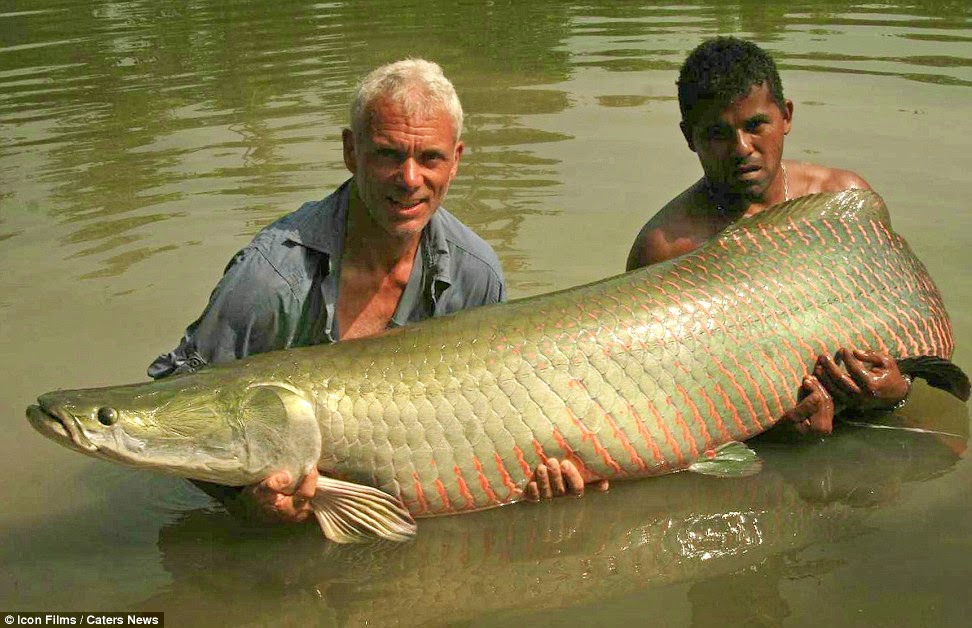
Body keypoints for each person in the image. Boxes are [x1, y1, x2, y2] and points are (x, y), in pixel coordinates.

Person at [150, 59, 590, 524]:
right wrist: (245, 503)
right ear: (350, 151)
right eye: (388, 154)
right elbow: (174, 407)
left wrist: (532, 478)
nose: (410, 178)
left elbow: (493, 416)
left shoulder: (475, 272)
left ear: (456, 160)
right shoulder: (270, 278)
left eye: (430, 158)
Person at [625, 37, 911, 432]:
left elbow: (898, 326)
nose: (742, 147)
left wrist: (897, 389)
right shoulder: (665, 249)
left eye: (755, 125)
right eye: (717, 134)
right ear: (689, 137)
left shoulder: (845, 203)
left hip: (868, 414)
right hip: (756, 433)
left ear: (787, 116)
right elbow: (659, 395)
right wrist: (775, 435)